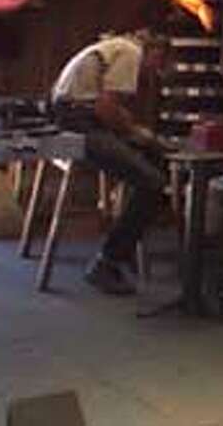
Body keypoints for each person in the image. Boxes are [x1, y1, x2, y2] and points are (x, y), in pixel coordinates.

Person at [51, 28, 169, 295]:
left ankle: (127, 241)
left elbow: (106, 106)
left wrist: (136, 134)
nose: (151, 74)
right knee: (152, 182)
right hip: (79, 122)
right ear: (154, 52)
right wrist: (136, 132)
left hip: (70, 114)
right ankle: (108, 261)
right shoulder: (131, 53)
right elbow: (105, 108)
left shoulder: (116, 47)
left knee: (154, 158)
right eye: (157, 66)